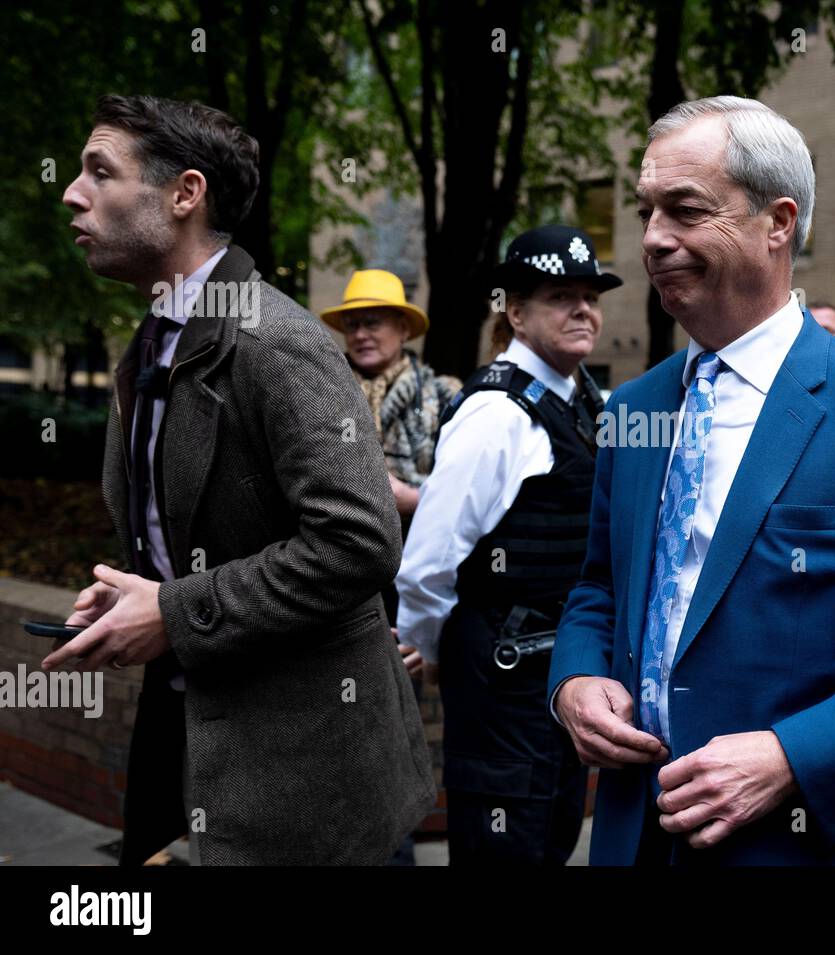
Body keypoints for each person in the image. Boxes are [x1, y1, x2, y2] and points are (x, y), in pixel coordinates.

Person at [547, 96, 835, 866]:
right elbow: (598, 588)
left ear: (778, 222)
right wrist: (573, 679)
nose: (654, 239)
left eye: (686, 210)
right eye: (645, 213)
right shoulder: (632, 410)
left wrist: (794, 756)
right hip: (635, 839)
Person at [49, 94, 435, 865]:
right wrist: (138, 586)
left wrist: (175, 606)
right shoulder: (151, 342)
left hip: (303, 770)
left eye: (100, 171)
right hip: (183, 730)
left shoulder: (276, 340)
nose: (71, 191)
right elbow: (211, 527)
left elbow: (359, 541)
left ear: (185, 194)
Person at [396, 225, 619, 865]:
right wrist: (435, 646)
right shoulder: (497, 413)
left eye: (591, 296)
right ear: (516, 313)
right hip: (502, 670)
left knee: (549, 833)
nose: (583, 309)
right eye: (560, 296)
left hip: (557, 669)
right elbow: (431, 558)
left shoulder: (579, 397)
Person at [320, 269, 461, 633]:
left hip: (417, 573)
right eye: (351, 326)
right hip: (336, 576)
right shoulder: (320, 396)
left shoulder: (444, 397)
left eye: (371, 323)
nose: (360, 335)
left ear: (402, 327)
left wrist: (414, 499)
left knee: (404, 686)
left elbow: (467, 494)